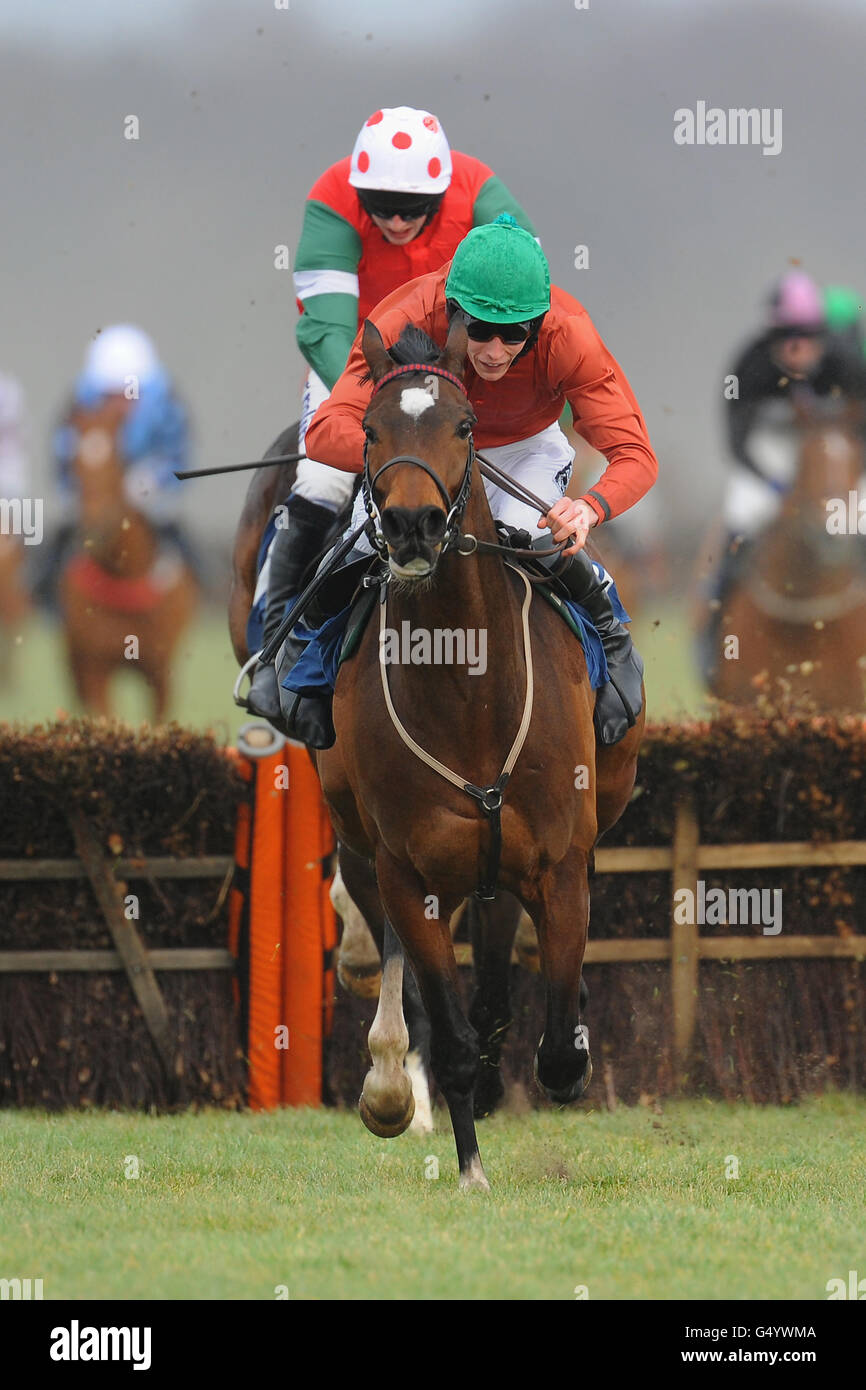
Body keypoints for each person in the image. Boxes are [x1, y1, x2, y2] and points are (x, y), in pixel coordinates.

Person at [275, 213, 658, 748]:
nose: (496, 351)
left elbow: (636, 455)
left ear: (539, 323)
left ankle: (613, 639)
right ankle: (308, 653)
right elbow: (325, 431)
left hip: (524, 449)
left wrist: (589, 508)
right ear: (452, 312)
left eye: (514, 334)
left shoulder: (569, 334)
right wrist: (403, 450)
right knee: (364, 542)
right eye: (479, 329)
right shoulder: (402, 320)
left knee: (531, 539)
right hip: (421, 447)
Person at [247, 105, 537, 719]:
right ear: (358, 192)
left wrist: (460, 396)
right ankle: (275, 651)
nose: (398, 220)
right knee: (322, 479)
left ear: (443, 190)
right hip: (361, 370)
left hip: (463, 377)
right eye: (380, 206)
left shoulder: (483, 194)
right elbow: (327, 330)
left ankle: (594, 647)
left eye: (414, 209)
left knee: (531, 494)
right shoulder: (330, 198)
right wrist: (383, 410)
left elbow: (521, 299)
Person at [700, 271, 866, 680]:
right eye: (789, 336)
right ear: (772, 336)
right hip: (770, 454)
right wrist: (774, 485)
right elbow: (737, 441)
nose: (799, 347)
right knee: (741, 517)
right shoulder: (749, 365)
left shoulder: (844, 363)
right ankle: (714, 623)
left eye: (808, 336)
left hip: (831, 449)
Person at [39, 325, 196, 608]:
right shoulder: (79, 409)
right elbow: (64, 450)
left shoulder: (167, 410)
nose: (119, 404)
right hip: (93, 501)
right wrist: (76, 488)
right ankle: (44, 598)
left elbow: (178, 455)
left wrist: (154, 481)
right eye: (110, 395)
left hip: (151, 502)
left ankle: (202, 591)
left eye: (127, 394)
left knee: (178, 542)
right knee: (59, 547)